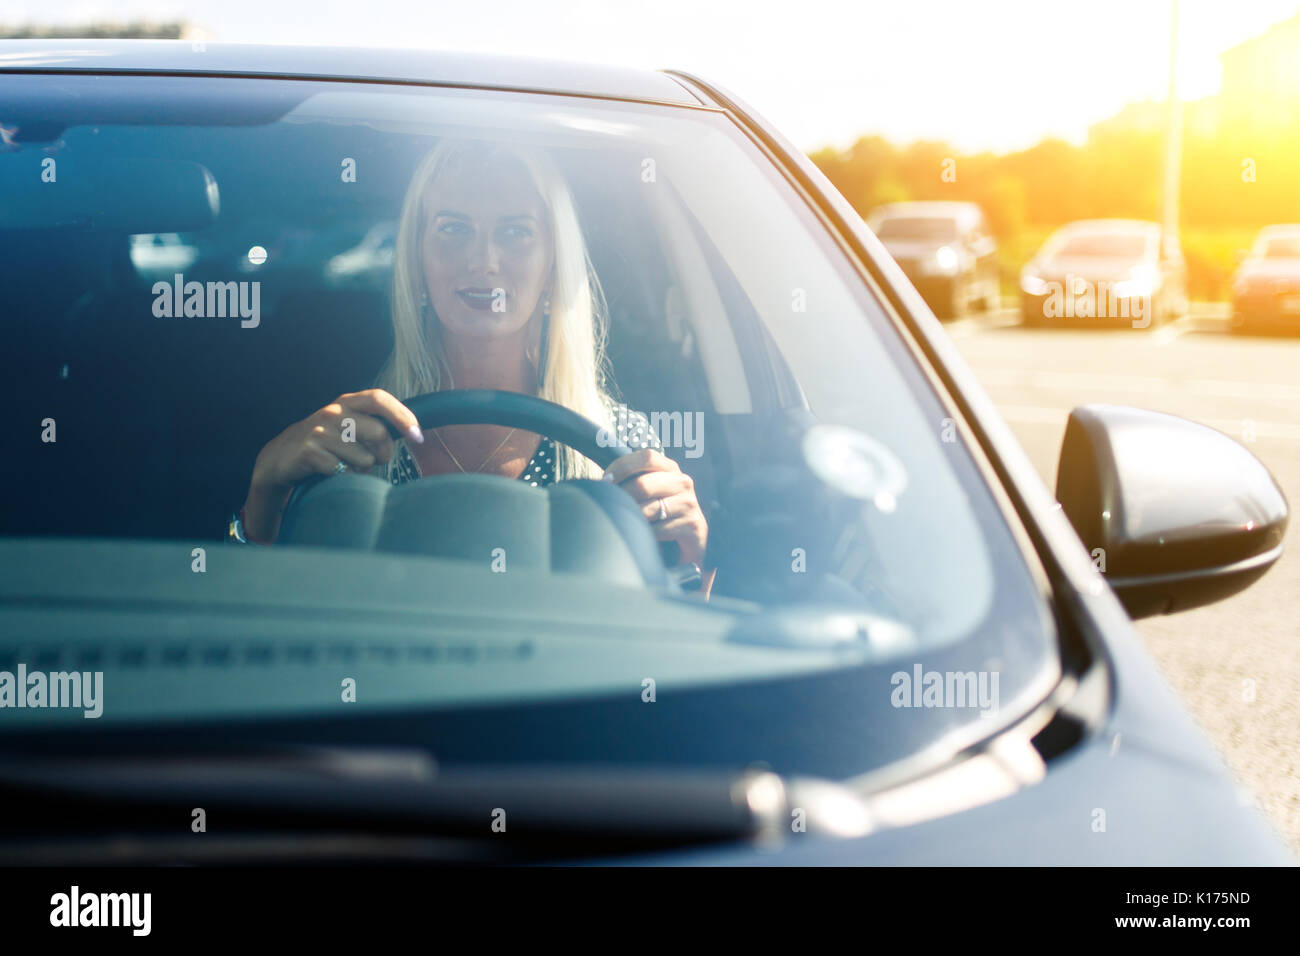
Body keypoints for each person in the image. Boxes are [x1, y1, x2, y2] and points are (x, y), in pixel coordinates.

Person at [235, 138, 713, 593]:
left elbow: (663, 639)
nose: (483, 260)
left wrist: (691, 556)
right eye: (454, 229)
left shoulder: (615, 444)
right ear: (418, 263)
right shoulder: (352, 440)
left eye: (516, 232)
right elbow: (268, 618)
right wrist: (264, 492)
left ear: (552, 269)